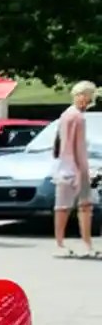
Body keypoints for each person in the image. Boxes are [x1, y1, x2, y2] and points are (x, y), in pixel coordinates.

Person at [53, 80, 97, 257]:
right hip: (75, 168)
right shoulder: (77, 117)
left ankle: (61, 242)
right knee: (80, 206)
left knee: (66, 206)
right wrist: (82, 171)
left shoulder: (67, 115)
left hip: (66, 167)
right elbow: (76, 147)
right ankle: (84, 244)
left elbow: (61, 144)